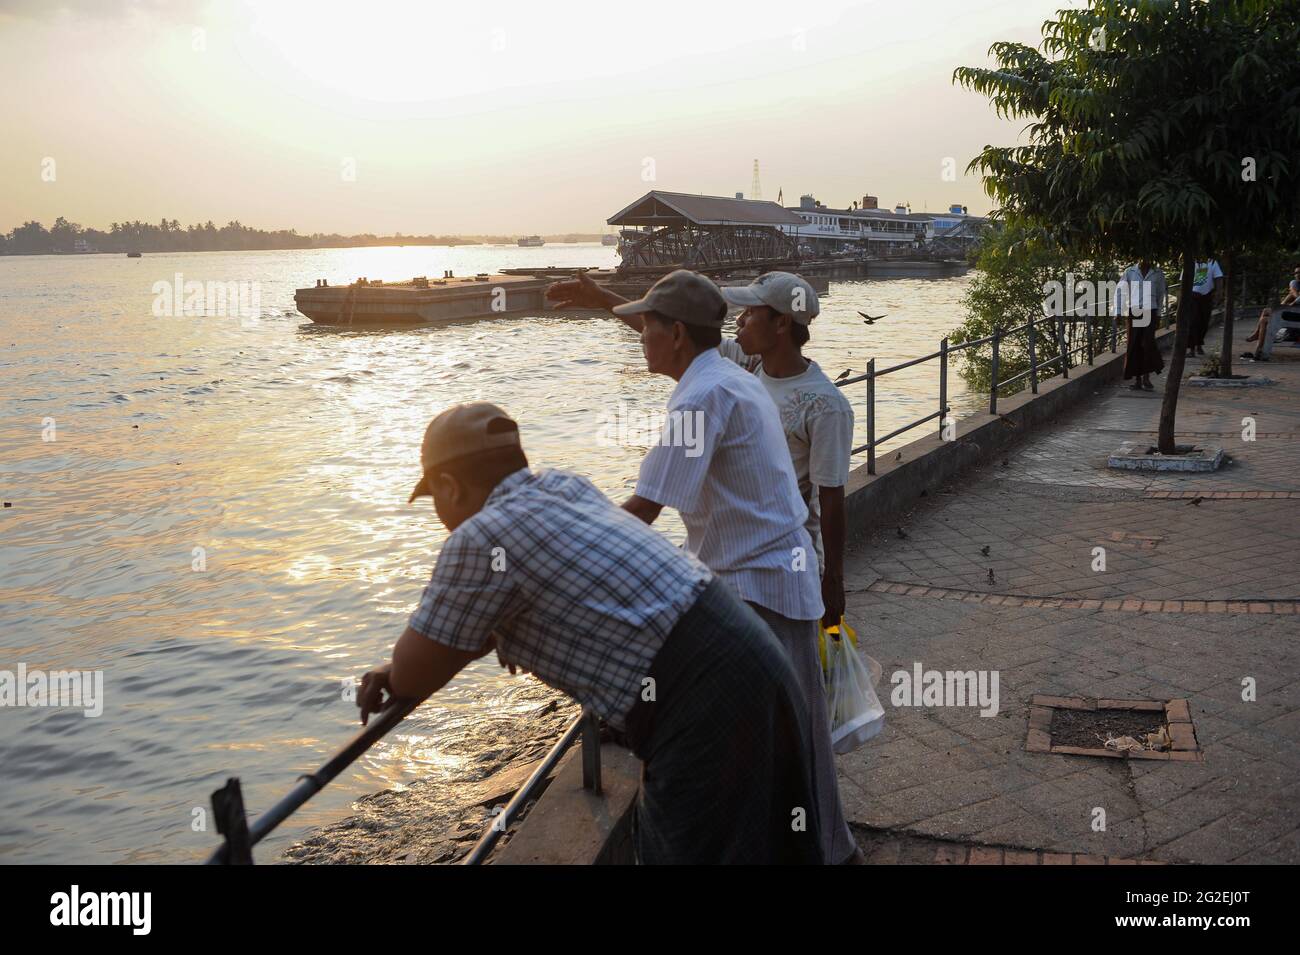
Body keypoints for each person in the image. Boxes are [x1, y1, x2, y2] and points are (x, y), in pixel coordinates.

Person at [356, 402, 824, 864]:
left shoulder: (479, 537)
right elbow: (528, 598)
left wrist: (390, 674)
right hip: (748, 650)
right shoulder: (564, 487)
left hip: (699, 698)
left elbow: (417, 671)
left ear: (448, 486)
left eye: (434, 497)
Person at [546, 269, 861, 865]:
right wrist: (598, 300)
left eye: (648, 326)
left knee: (759, 738)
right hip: (764, 575)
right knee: (791, 732)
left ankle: (811, 850)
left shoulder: (704, 395)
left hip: (756, 584)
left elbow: (641, 509)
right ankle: (820, 848)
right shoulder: (730, 376)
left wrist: (558, 555)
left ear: (677, 337)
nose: (640, 335)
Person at [1114, 259, 1166, 391]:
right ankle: (1137, 379)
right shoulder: (1130, 272)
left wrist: (1159, 313)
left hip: (1150, 311)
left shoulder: (1157, 273)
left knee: (1147, 343)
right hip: (1135, 311)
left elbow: (1161, 295)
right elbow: (1119, 291)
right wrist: (1118, 311)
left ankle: (1146, 378)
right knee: (1134, 344)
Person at [1187, 256, 1223, 356]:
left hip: (1206, 296)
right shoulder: (1190, 261)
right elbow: (1183, 280)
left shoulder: (1211, 262)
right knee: (1193, 322)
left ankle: (1199, 345)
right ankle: (1192, 349)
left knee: (1204, 322)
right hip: (1193, 296)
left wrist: (1219, 293)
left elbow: (1218, 277)